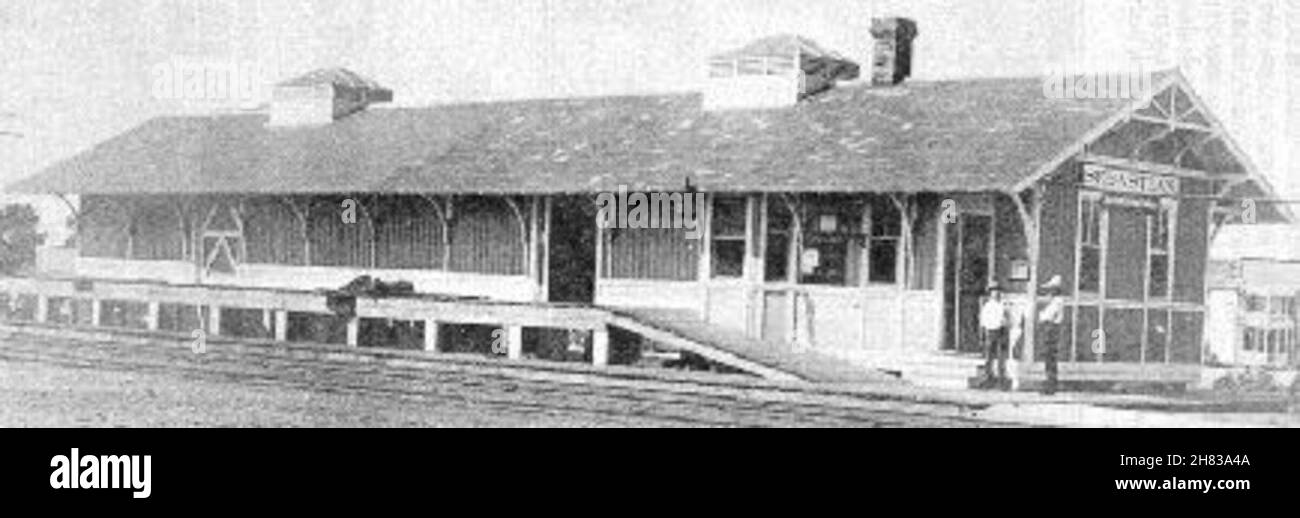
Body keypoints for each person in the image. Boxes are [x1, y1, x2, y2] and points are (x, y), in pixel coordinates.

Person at [1039, 275, 1066, 395]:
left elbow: (1046, 316)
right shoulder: (1054, 302)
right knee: (1048, 357)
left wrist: (1042, 313)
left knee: (1050, 357)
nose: (1049, 292)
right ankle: (1049, 383)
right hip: (1050, 329)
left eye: (1051, 289)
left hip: (1051, 329)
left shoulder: (1057, 302)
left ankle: (1051, 385)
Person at [979, 283, 1009, 389]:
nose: (996, 293)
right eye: (993, 291)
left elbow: (1006, 319)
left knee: (1001, 357)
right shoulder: (988, 306)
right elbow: (983, 321)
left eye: (998, 291)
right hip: (991, 331)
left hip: (1001, 331)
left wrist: (1005, 323)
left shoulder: (1003, 305)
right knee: (989, 357)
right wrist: (983, 334)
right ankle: (988, 379)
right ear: (990, 293)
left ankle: (1002, 381)